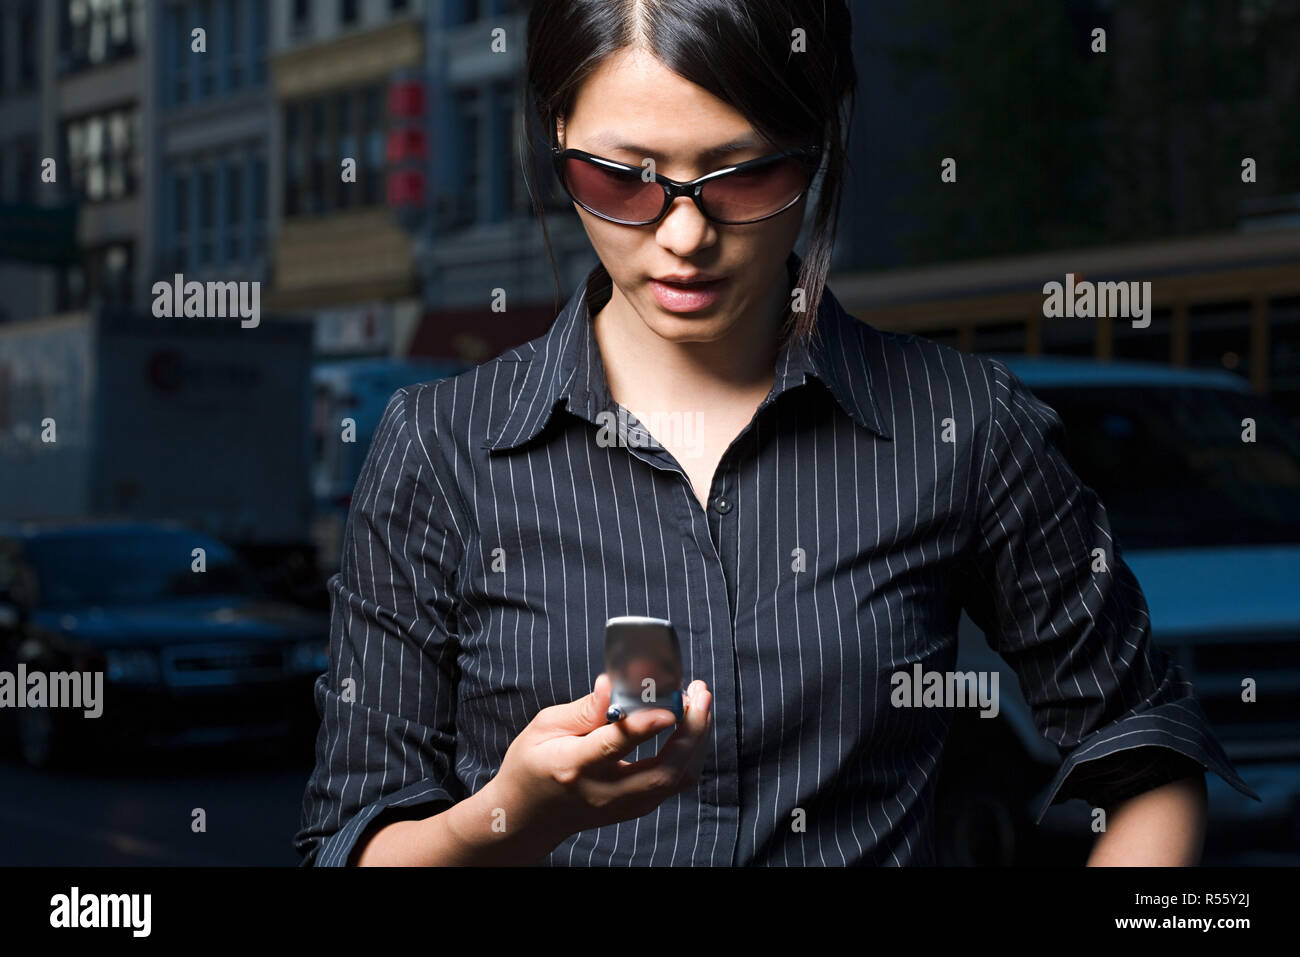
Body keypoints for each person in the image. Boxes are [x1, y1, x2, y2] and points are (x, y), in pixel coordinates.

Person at [294, 0, 1258, 866]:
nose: (683, 236)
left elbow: (1143, 739)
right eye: (621, 181)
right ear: (558, 134)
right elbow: (350, 837)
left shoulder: (961, 425)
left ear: (818, 145)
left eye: (744, 176)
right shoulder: (439, 447)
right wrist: (508, 816)